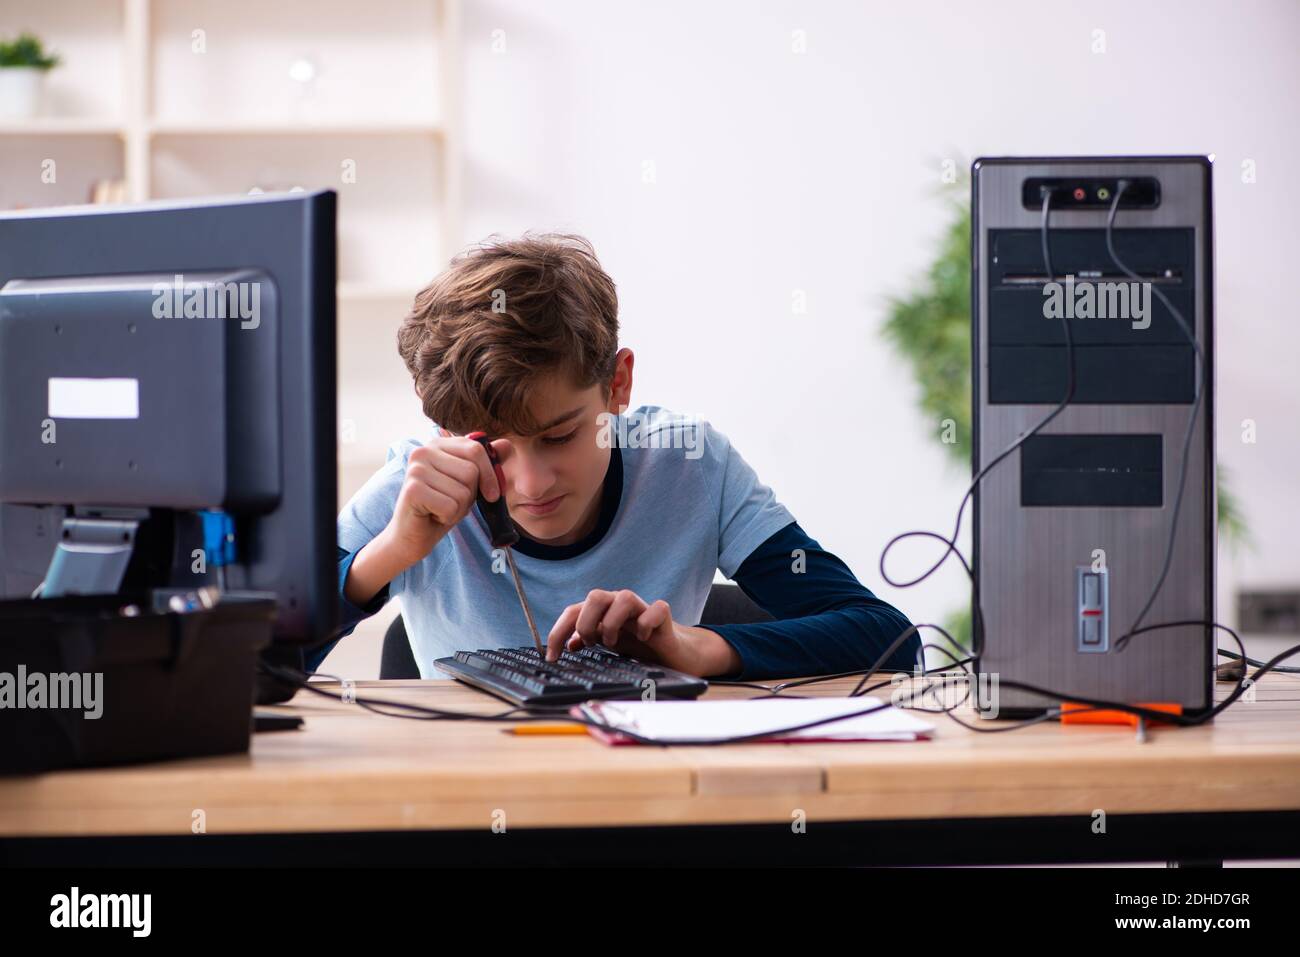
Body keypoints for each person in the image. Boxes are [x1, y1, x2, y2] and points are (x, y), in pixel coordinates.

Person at [315, 233, 920, 680]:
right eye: (494, 451)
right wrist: (390, 553)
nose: (530, 483)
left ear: (617, 385)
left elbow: (886, 637)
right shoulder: (415, 491)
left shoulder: (691, 464)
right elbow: (252, 671)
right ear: (445, 429)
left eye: (559, 437)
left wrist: (695, 648)